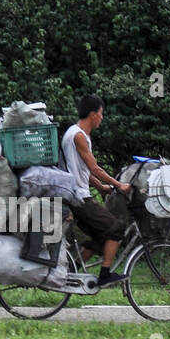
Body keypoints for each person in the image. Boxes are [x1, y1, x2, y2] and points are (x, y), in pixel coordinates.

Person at [59, 94, 132, 289]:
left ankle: (70, 272)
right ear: (92, 115)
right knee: (116, 228)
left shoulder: (75, 134)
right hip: (79, 197)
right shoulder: (79, 136)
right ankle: (105, 275)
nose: (102, 118)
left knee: (102, 237)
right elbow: (94, 168)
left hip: (75, 195)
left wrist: (100, 187)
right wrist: (118, 185)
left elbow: (80, 170)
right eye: (101, 114)